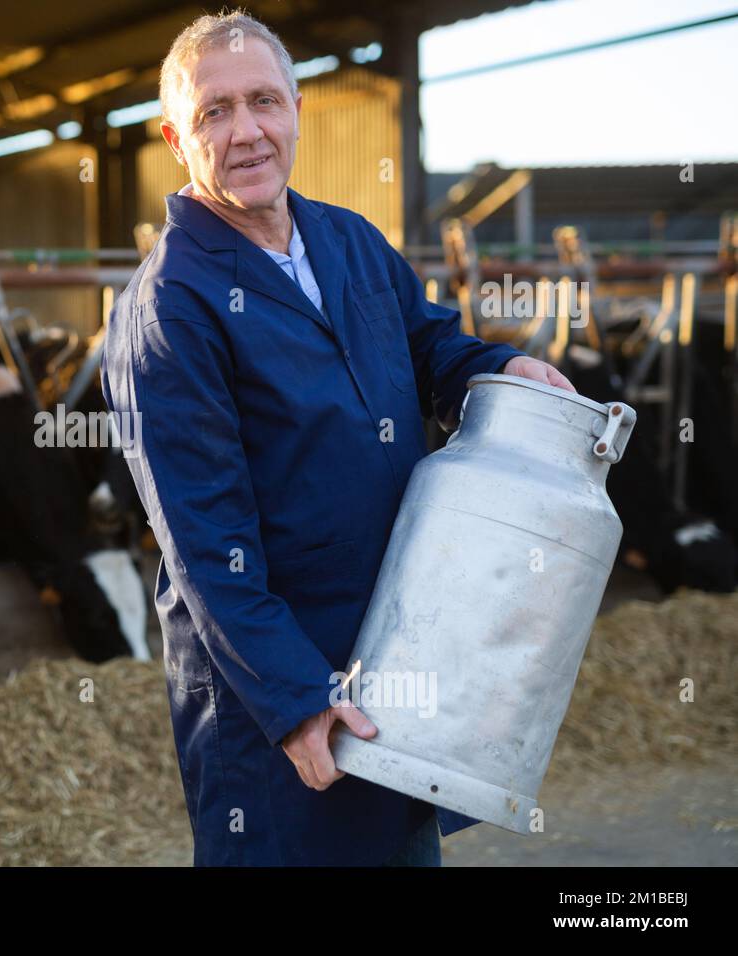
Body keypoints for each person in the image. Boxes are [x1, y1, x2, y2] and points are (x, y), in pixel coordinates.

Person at [101, 10, 575, 866]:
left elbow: (429, 341)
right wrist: (296, 700)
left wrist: (497, 369)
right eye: (214, 113)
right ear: (176, 137)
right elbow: (207, 546)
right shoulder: (170, 306)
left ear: (295, 110)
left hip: (397, 648)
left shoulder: (346, 239)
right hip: (275, 695)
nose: (246, 133)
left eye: (263, 102)